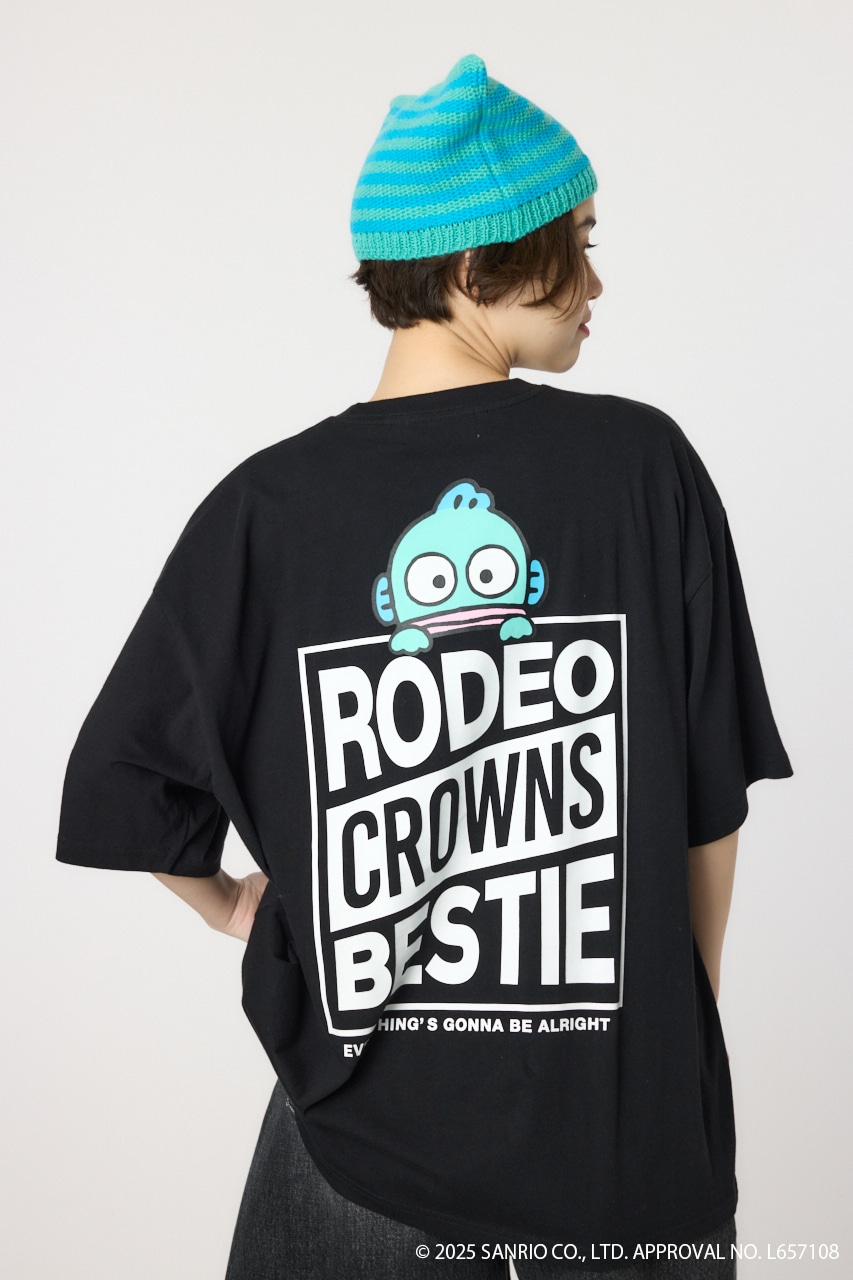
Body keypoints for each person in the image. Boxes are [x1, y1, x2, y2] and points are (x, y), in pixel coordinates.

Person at [56, 53, 793, 1279]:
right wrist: (665, 1039)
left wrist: (237, 906)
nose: (596, 283)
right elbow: (707, 804)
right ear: (469, 268)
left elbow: (122, 781)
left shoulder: (267, 510)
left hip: (355, 1153)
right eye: (576, 245)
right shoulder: (641, 468)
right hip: (620, 1154)